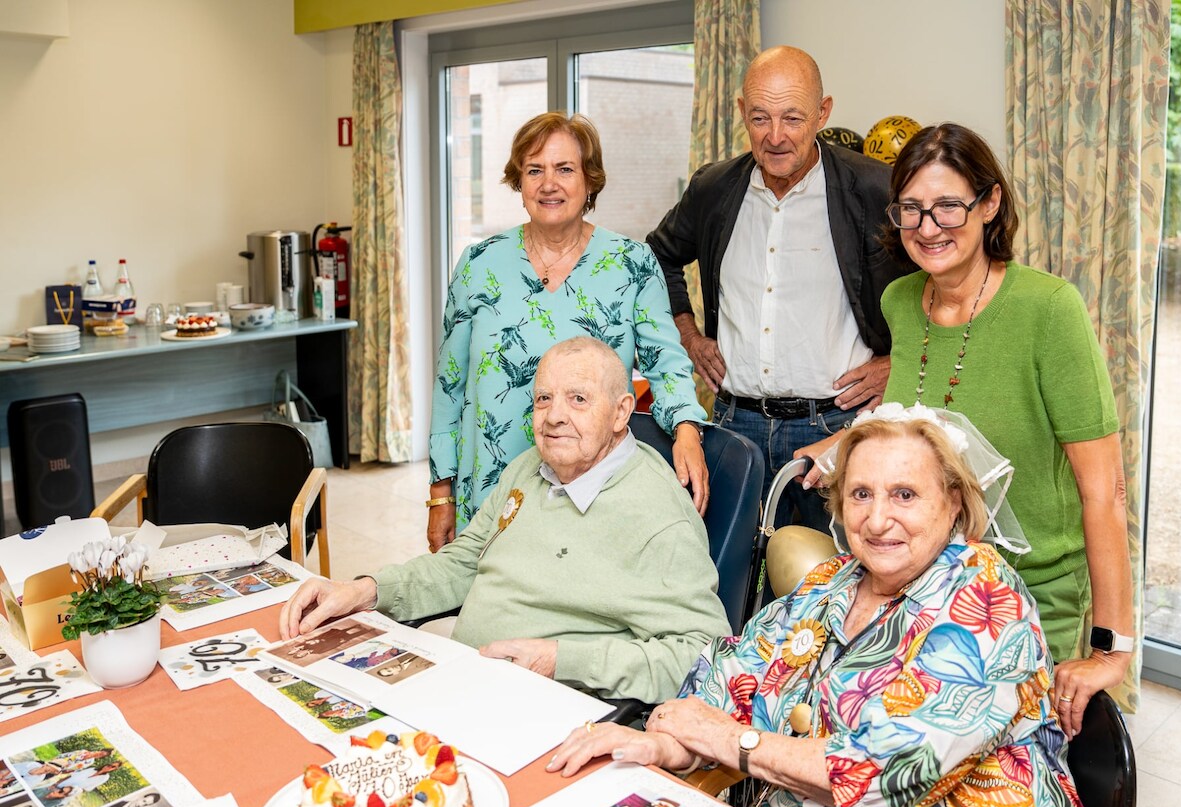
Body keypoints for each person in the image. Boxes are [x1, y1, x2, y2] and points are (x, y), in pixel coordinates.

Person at [548, 407, 1093, 807]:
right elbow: (726, 682)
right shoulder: (830, 583)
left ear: (952, 502)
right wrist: (667, 748)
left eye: (905, 494)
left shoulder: (984, 592)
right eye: (861, 494)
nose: (877, 520)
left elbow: (886, 771)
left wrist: (723, 739)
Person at [798, 123, 1134, 735]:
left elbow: (1104, 491)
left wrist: (1111, 651)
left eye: (949, 205)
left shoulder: (1048, 310)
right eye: (912, 209)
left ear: (990, 204)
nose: (929, 227)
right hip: (921, 587)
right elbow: (922, 423)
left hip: (1031, 594)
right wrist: (839, 445)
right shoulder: (901, 301)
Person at [282, 338, 730, 704]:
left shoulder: (655, 515)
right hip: (463, 685)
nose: (555, 416)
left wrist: (562, 660)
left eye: (578, 399)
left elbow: (706, 657)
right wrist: (366, 590)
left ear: (620, 412)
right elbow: (461, 564)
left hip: (547, 711)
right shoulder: (529, 467)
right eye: (543, 399)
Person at [646, 46, 909, 532]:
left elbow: (939, 280)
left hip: (835, 427)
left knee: (836, 585)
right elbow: (656, 256)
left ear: (823, 113)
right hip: (733, 425)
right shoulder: (713, 188)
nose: (775, 136)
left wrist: (902, 361)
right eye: (761, 117)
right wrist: (688, 333)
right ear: (742, 112)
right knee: (730, 589)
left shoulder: (876, 189)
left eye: (792, 117)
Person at [427, 112, 709, 551]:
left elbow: (667, 365)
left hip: (593, 493)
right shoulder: (478, 265)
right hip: (491, 495)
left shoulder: (632, 264)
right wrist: (439, 495)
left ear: (590, 180)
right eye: (534, 170)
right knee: (494, 609)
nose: (548, 184)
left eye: (565, 169)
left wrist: (688, 429)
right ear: (518, 183)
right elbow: (449, 385)